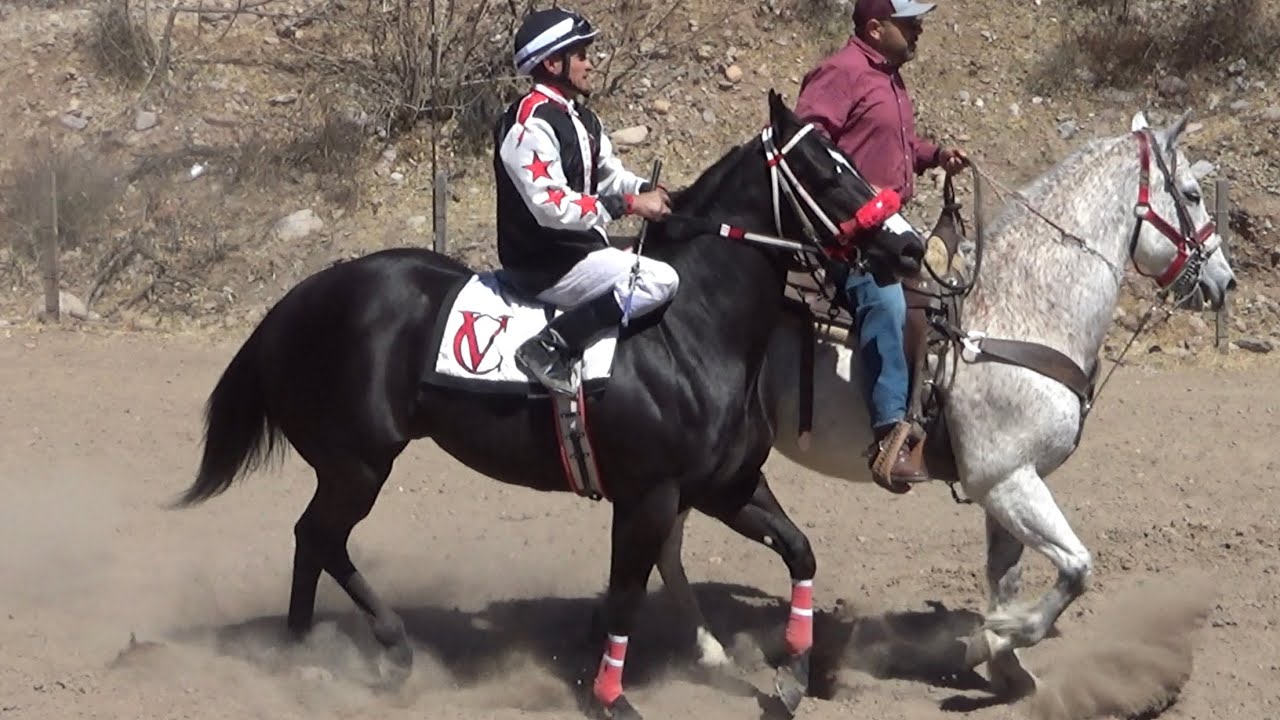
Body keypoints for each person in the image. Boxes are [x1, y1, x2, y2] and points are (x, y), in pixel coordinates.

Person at [793, 0, 968, 485]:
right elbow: (808, 144)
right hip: (846, 232)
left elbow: (891, 142)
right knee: (885, 300)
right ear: (875, 28)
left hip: (887, 224)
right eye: (910, 24)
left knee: (946, 289)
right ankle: (891, 427)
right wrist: (849, 198)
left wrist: (933, 155)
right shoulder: (839, 74)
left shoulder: (887, 75)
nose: (919, 31)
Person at [494, 7, 676, 396]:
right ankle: (548, 346)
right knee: (659, 279)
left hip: (580, 252)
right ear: (552, 63)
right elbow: (551, 205)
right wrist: (629, 204)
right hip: (544, 265)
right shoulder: (530, 123)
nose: (590, 65)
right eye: (581, 56)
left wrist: (652, 191)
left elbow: (611, 174)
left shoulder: (582, 119)